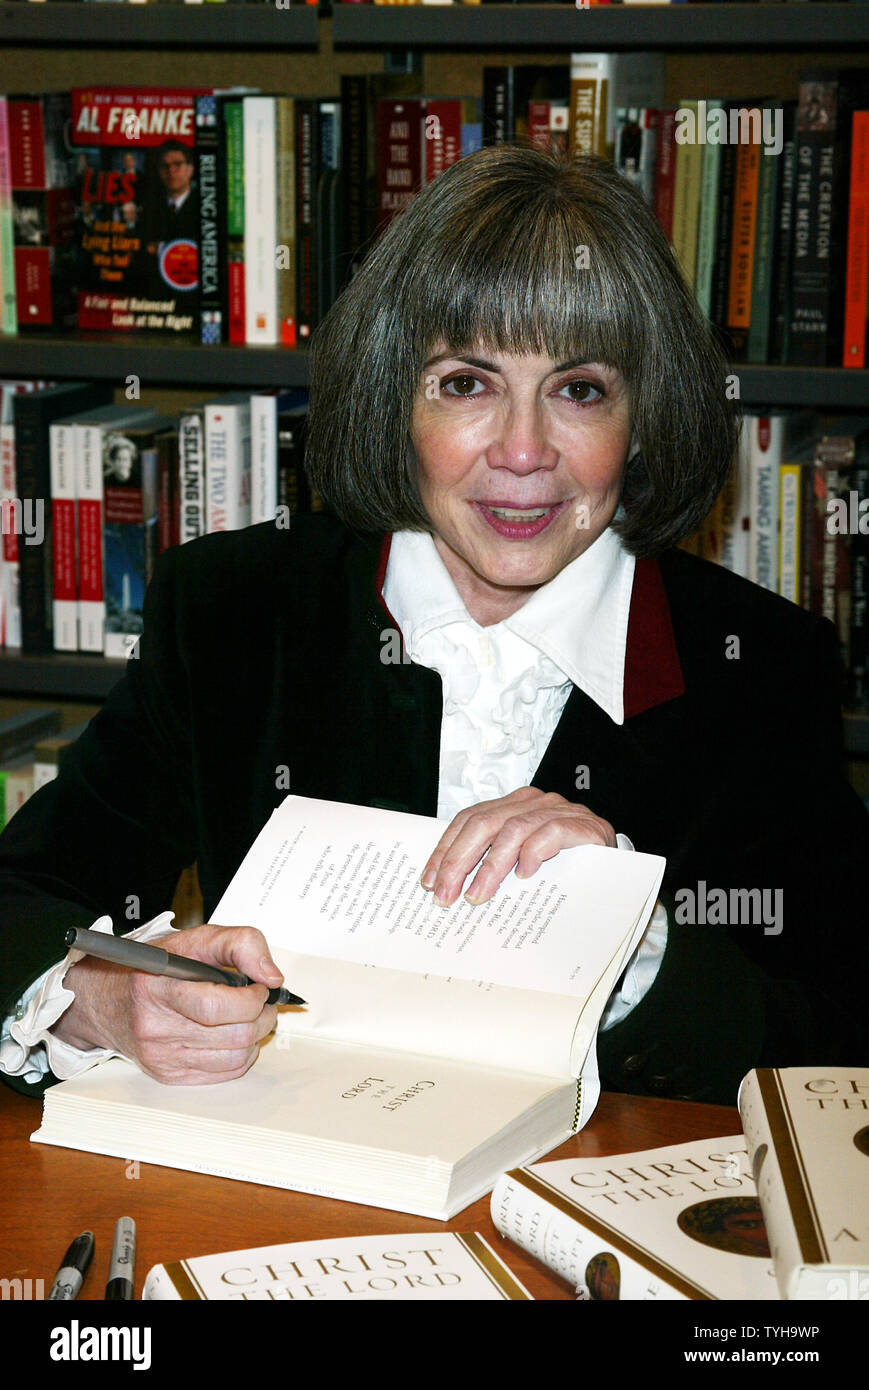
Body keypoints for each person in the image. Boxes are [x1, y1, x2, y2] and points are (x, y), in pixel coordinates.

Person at [0, 147, 866, 1107]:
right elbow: (25, 898)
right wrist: (98, 998)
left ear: (645, 414)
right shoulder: (236, 612)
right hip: (285, 1209)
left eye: (579, 390)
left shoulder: (758, 665)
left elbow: (836, 1035)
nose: (523, 451)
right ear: (393, 398)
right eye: (466, 383)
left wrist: (630, 938)